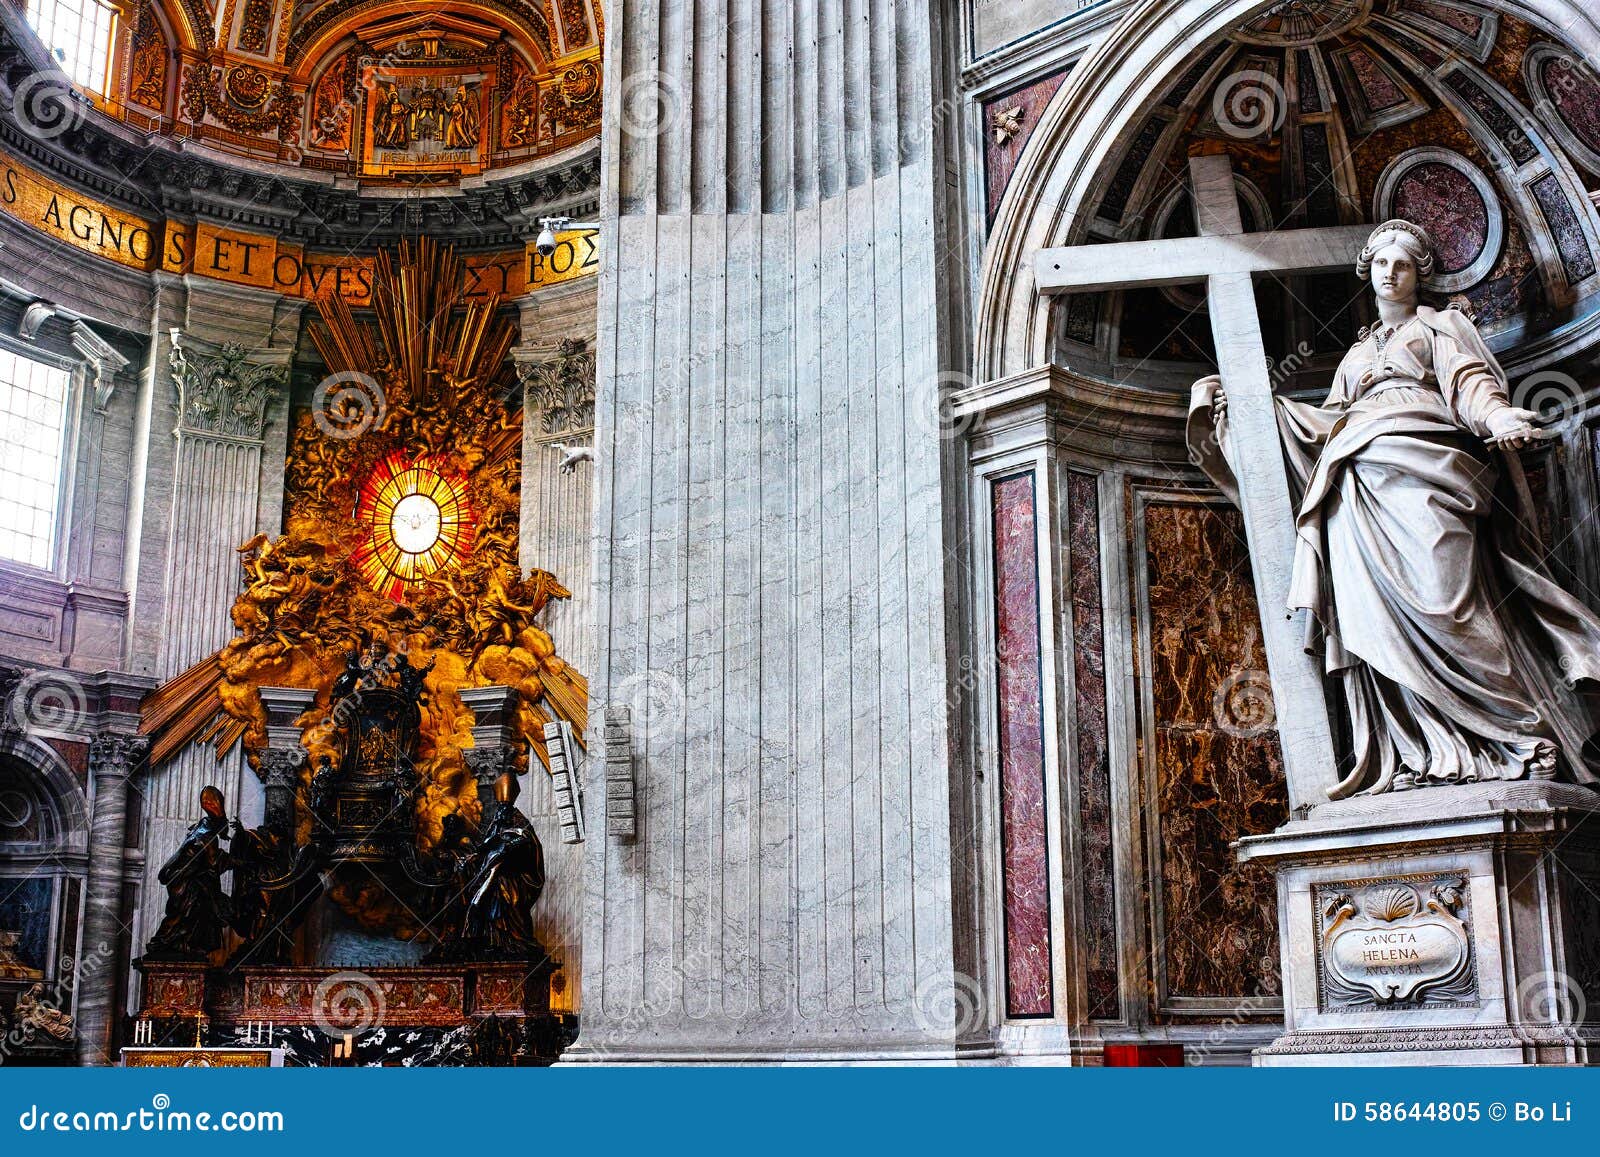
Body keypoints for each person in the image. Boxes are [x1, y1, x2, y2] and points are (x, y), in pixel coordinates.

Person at [1188, 219, 1600, 797]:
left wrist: (1500, 418)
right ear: (1369, 272)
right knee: (1371, 619)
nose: (1391, 273)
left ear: (1418, 275)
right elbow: (1328, 425)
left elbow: (1472, 383)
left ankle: (1517, 731)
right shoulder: (1356, 354)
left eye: (1402, 264)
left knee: (1445, 601)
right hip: (1355, 489)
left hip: (1427, 470)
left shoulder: (1440, 327)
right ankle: (1421, 750)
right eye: (1382, 263)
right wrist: (1259, 413)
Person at [145, 786, 235, 960]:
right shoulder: (207, 836)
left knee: (192, 916)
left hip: (183, 879)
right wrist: (238, 861)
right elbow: (215, 862)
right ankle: (162, 942)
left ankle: (184, 945)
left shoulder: (201, 827)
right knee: (184, 914)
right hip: (187, 882)